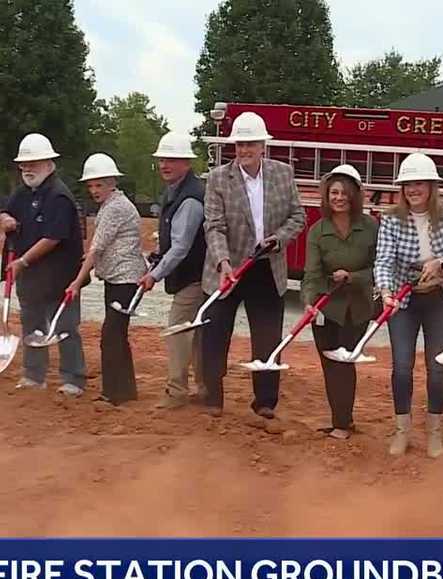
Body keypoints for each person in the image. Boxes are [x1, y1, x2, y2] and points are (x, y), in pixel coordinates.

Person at [199, 111, 305, 419]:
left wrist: (278, 238)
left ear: (263, 146)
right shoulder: (219, 178)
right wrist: (223, 262)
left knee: (268, 337)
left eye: (251, 144)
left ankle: (266, 402)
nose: (244, 150)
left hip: (267, 267)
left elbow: (297, 217)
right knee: (215, 333)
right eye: (240, 144)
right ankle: (213, 398)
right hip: (228, 268)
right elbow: (214, 225)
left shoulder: (283, 174)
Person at [374, 153, 443, 457]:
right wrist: (386, 291)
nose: (413, 190)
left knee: (436, 367)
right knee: (402, 367)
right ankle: (402, 430)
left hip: (439, 299)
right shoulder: (390, 218)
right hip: (403, 300)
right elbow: (384, 259)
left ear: (431, 186)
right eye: (407, 185)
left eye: (418, 184)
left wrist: (442, 263)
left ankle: (434, 431)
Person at [0, 133, 86, 397]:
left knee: (65, 327)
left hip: (60, 277)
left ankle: (73, 379)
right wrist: (5, 220)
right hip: (30, 278)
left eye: (33, 163)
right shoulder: (22, 192)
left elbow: (52, 238)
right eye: (24, 164)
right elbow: (5, 212)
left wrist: (22, 261)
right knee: (32, 325)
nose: (27, 169)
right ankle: (34, 375)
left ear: (49, 163)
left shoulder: (59, 196)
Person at [301, 164, 378, 440]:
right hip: (326, 309)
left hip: (357, 309)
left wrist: (353, 276)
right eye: (333, 192)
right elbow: (311, 274)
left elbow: (379, 268)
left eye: (344, 192)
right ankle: (341, 421)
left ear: (355, 195)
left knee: (345, 363)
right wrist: (309, 303)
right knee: (329, 365)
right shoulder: (317, 231)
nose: (338, 197)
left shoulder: (370, 227)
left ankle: (343, 424)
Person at [66, 153, 146, 405]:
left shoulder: (116, 208)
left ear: (112, 182)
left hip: (126, 278)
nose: (93, 190)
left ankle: (115, 393)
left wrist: (78, 281)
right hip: (117, 278)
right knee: (115, 334)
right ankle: (122, 391)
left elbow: (96, 248)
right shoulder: (111, 206)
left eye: (99, 184)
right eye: (90, 185)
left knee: (111, 334)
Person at [138, 132, 208, 410]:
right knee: (198, 335)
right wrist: (158, 256)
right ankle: (205, 389)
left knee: (178, 331)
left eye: (172, 160)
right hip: (196, 275)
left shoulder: (190, 199)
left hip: (194, 277)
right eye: (162, 160)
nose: (165, 165)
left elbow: (181, 247)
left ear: (186, 164)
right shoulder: (176, 192)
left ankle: (176, 392)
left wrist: (154, 275)